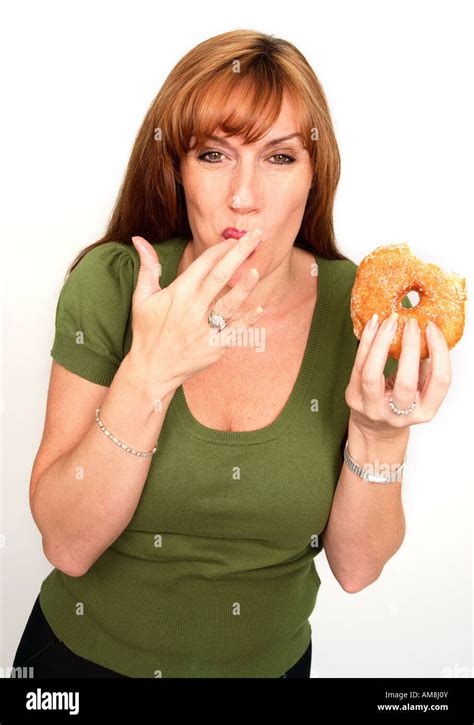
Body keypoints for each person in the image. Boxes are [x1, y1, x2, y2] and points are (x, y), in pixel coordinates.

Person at [12, 29, 451, 679]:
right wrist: (148, 375)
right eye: (215, 155)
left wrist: (379, 431)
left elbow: (357, 568)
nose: (244, 195)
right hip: (76, 667)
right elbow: (67, 545)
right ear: (176, 168)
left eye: (279, 158)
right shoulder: (109, 284)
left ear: (314, 176)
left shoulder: (356, 310)